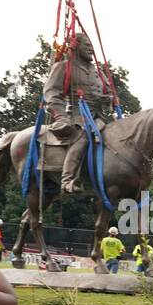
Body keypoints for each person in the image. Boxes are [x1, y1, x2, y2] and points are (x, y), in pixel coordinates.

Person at [42, 33, 114, 195]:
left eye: (91, 45)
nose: (91, 48)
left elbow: (107, 92)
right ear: (75, 47)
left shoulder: (99, 73)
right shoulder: (64, 67)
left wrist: (108, 99)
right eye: (86, 45)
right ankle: (68, 180)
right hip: (77, 114)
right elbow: (52, 93)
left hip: (100, 117)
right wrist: (61, 116)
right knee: (83, 137)